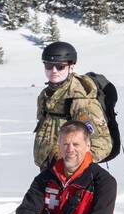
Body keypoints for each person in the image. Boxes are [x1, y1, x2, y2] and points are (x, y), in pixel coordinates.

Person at [33, 40, 112, 169]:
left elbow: (102, 143)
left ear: (71, 67)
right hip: (49, 170)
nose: (53, 71)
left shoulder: (79, 99)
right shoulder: (45, 95)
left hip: (71, 175)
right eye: (48, 65)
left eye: (60, 67)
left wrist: (73, 166)